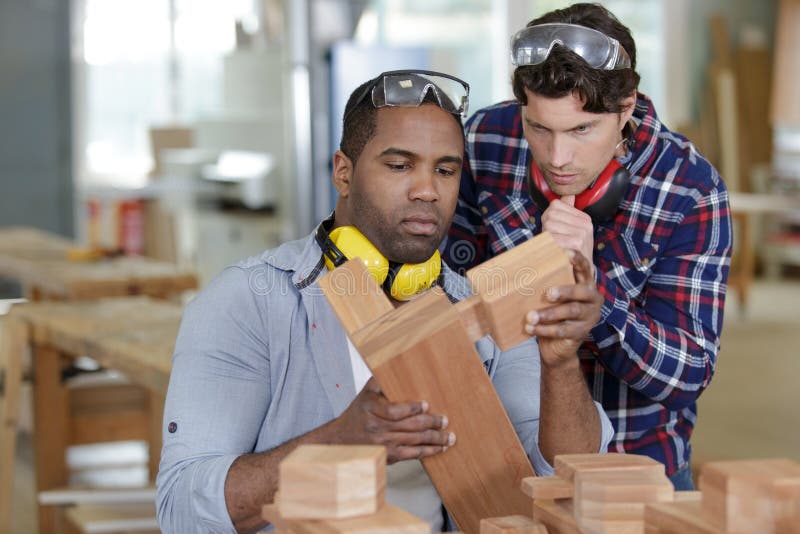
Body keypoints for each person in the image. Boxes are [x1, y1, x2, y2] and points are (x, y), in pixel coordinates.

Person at [156, 70, 614, 533]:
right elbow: (182, 510)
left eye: (445, 169)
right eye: (399, 165)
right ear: (344, 172)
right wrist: (339, 444)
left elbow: (563, 479)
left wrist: (560, 363)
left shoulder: (481, 311)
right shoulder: (248, 302)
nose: (426, 190)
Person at [442, 3, 733, 491]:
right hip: (503, 455)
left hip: (636, 466)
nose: (558, 159)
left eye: (581, 130)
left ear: (625, 109)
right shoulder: (486, 140)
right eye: (540, 128)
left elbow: (688, 374)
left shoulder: (691, 187)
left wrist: (595, 302)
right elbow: (446, 287)